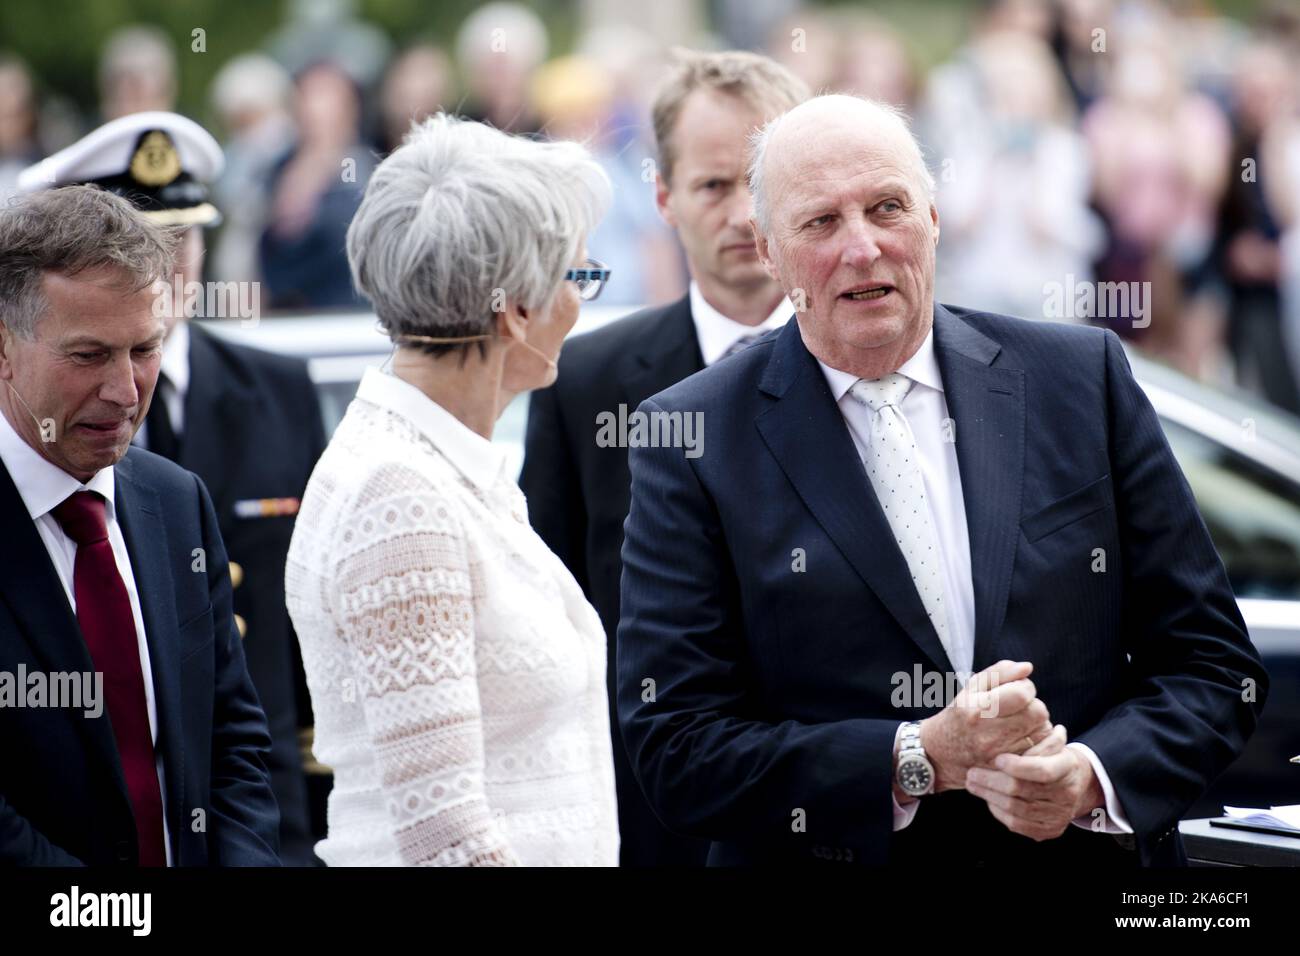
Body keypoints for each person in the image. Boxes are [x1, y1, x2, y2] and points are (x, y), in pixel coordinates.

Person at [616, 94, 1268, 866]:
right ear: (767, 250)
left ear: (931, 215)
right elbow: (676, 749)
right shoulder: (693, 439)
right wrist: (915, 758)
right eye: (820, 223)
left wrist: (1092, 778)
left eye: (886, 207)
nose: (862, 249)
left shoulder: (1077, 379)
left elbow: (1213, 665)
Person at [285, 114, 618, 866]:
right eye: (580, 276)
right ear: (516, 309)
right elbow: (447, 839)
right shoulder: (399, 498)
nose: (580, 304)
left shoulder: (441, 461)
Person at [520, 49, 807, 866]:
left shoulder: (871, 360)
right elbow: (560, 604)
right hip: (656, 815)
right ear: (664, 197)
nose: (744, 215)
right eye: (715, 186)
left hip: (848, 801)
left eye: (761, 184)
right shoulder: (586, 379)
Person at [19, 111, 326, 865]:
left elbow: (236, 731)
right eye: (88, 355)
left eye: (145, 350)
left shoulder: (176, 495)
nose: (124, 392)